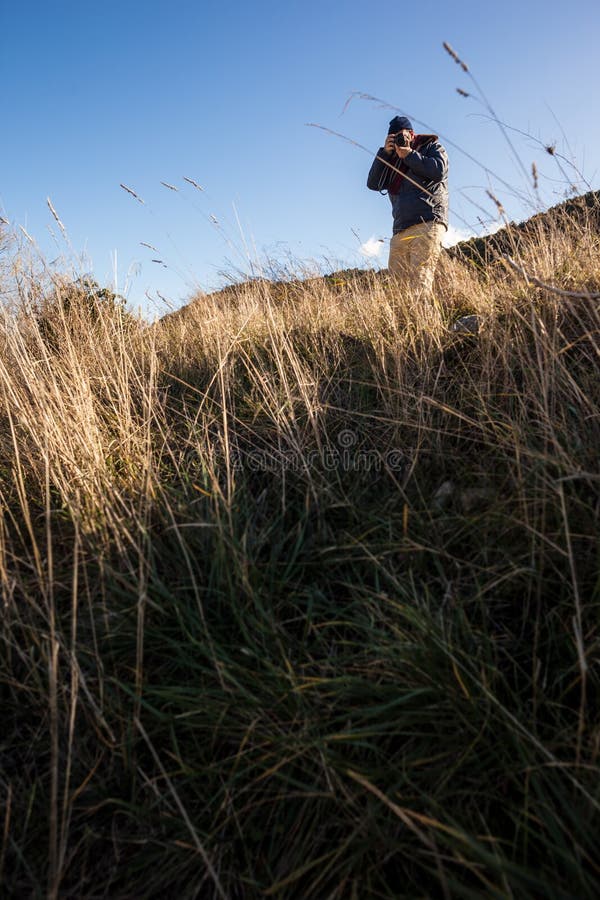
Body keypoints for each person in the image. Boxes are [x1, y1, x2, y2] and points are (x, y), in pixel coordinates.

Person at [367, 115, 448, 298]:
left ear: (411, 134)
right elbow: (373, 184)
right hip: (400, 229)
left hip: (427, 222)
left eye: (401, 135)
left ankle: (425, 318)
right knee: (398, 293)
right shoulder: (391, 160)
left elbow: (439, 170)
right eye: (393, 137)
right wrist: (384, 153)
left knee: (419, 285)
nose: (399, 140)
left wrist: (409, 155)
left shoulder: (430, 147)